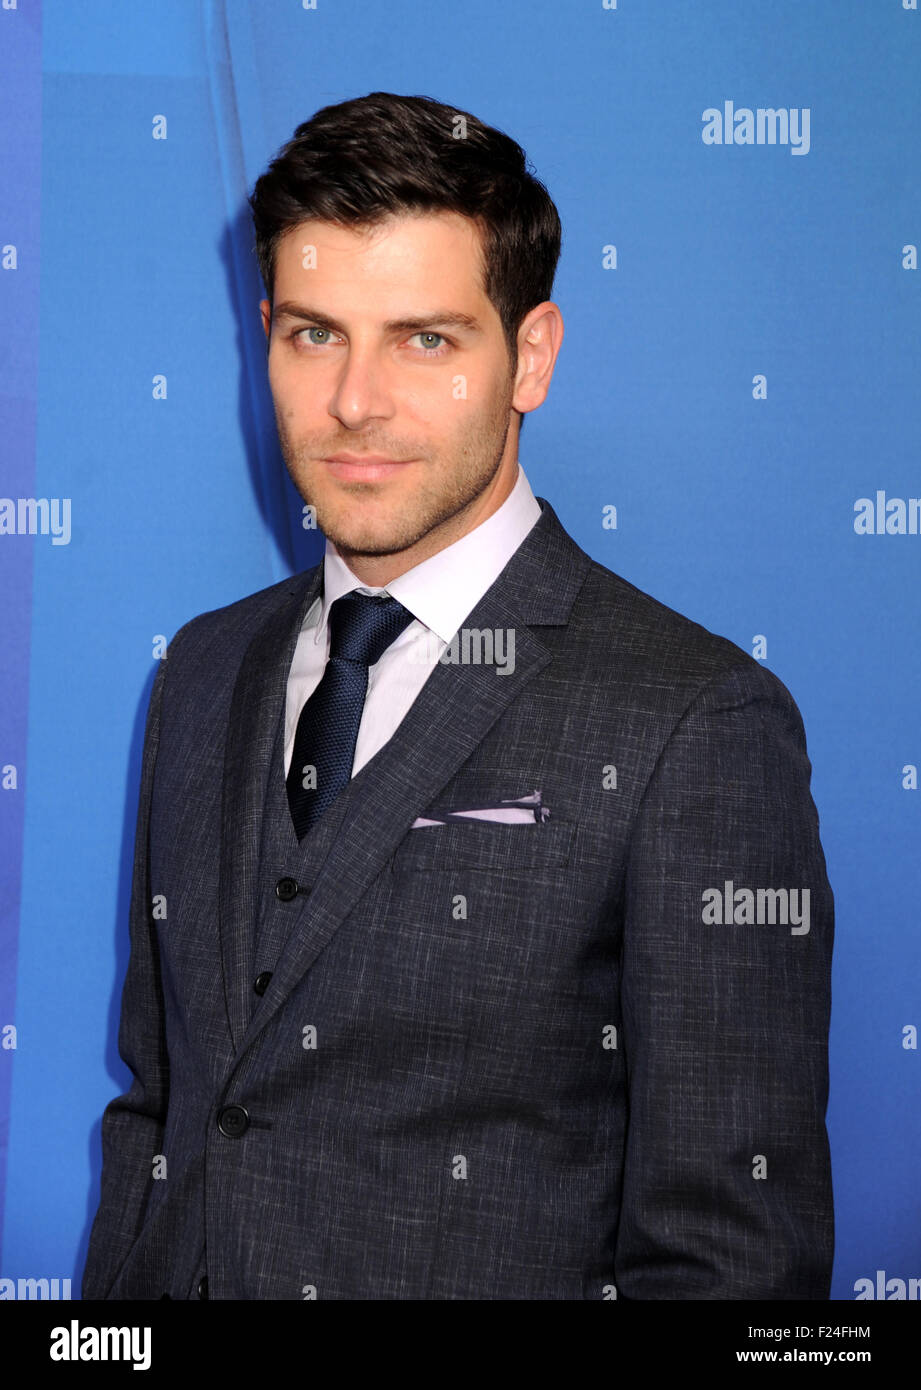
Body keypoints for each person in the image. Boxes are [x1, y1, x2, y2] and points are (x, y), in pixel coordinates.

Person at [82, 91, 834, 1301]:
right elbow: (161, 1118)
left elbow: (730, 1263)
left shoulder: (695, 720)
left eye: (425, 339)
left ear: (530, 355)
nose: (356, 403)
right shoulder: (204, 672)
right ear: (263, 333)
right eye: (315, 334)